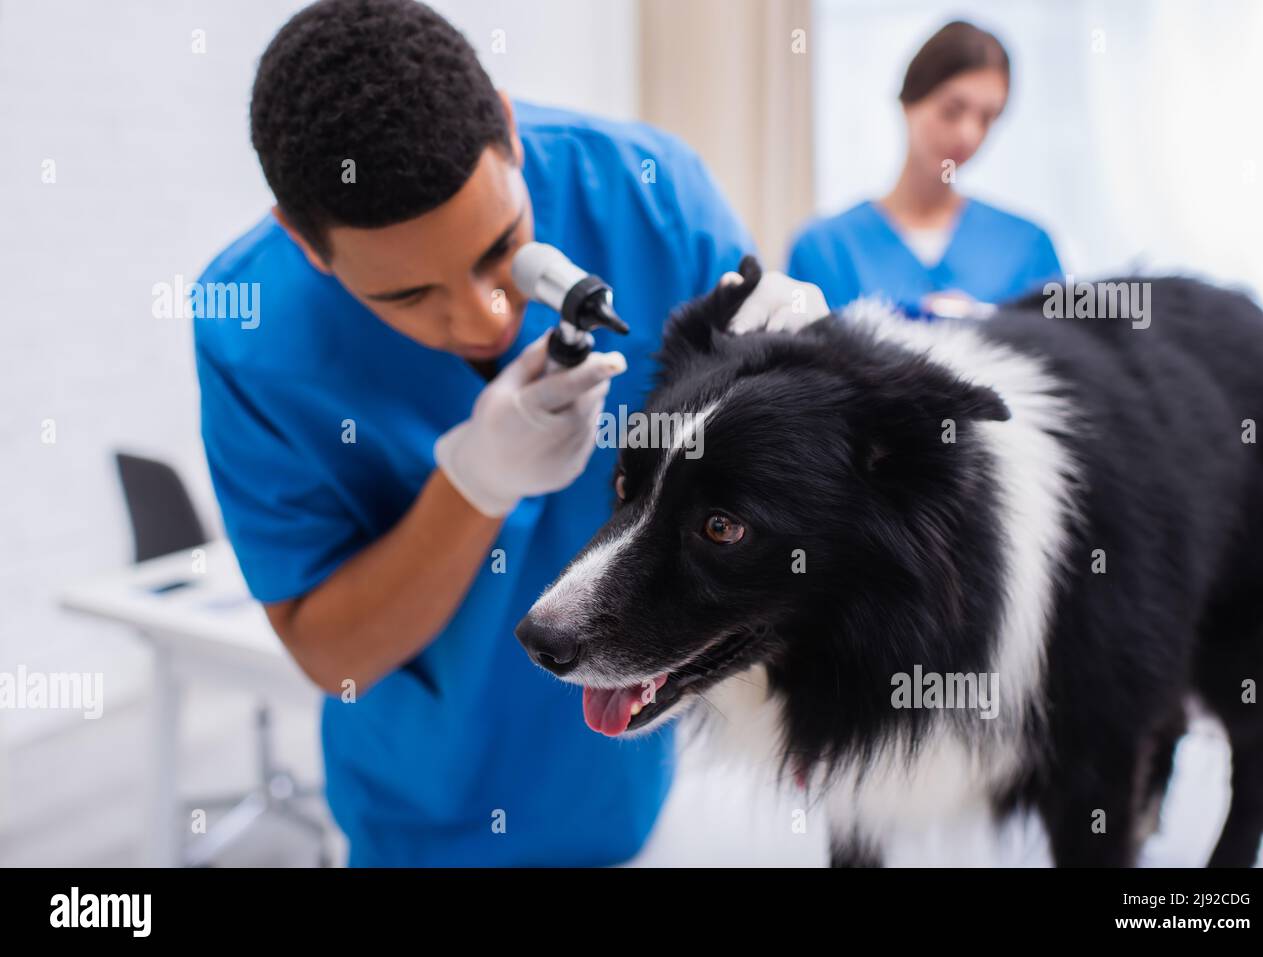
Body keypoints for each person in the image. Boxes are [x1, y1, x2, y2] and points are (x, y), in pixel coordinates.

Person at [194, 0, 819, 866]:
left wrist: (805, 370)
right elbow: (331, 650)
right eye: (410, 296)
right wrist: (474, 487)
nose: (486, 317)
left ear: (512, 134)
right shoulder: (253, 330)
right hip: (426, 805)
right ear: (303, 241)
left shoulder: (648, 193)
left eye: (502, 249)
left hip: (632, 780)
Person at [788, 20, 1062, 317]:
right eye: (952, 110)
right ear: (909, 102)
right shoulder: (823, 251)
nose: (968, 135)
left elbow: (1066, 355)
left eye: (987, 117)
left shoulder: (1028, 248)